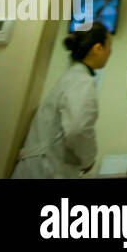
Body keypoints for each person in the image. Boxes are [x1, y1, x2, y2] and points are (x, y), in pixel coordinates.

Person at [12, 24, 109, 178]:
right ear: (98, 48)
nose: (110, 52)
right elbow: (78, 129)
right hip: (46, 170)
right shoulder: (81, 81)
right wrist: (88, 159)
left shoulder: (71, 77)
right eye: (109, 46)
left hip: (39, 166)